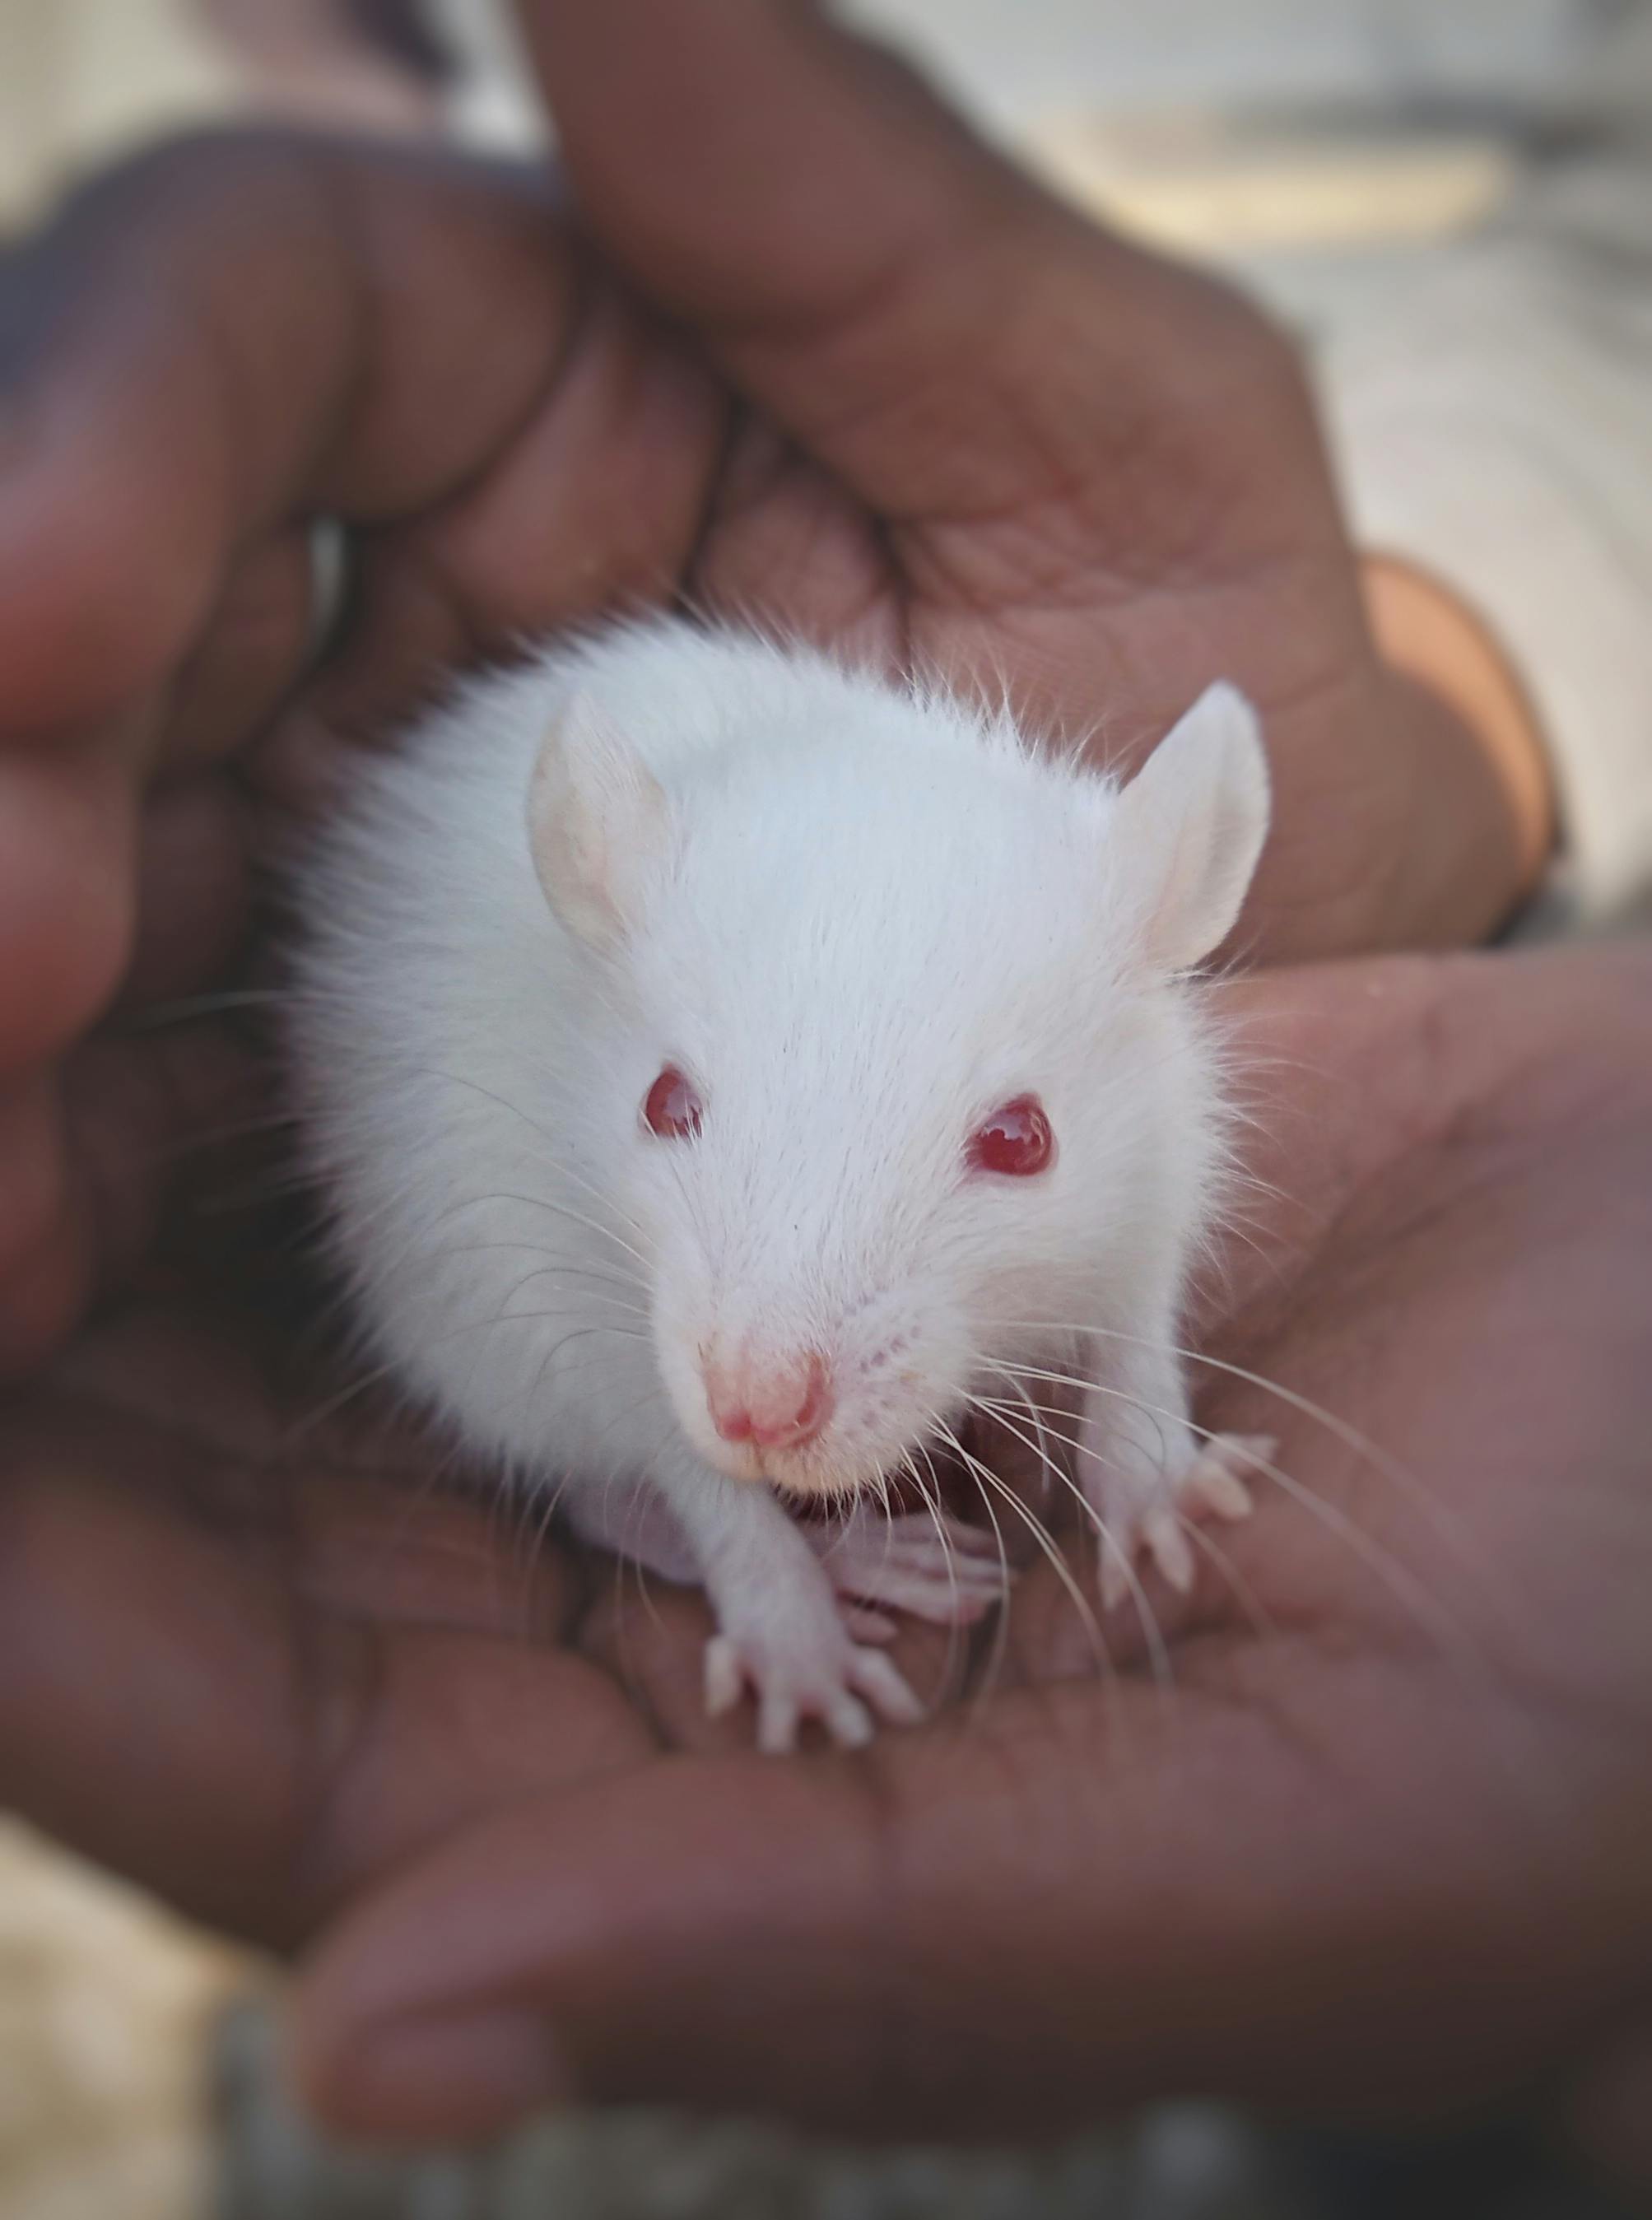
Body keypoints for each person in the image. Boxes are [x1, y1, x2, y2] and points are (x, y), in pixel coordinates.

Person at [0, 0, 1646, 2175]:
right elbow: (707, 1294)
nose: (766, 1381)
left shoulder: (1095, 959)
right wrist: (762, 1577)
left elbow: (1138, 1213)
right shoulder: (622, 944)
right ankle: (635, 1494)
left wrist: (1139, 1441)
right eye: (676, 1109)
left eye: (1007, 1142)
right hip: (524, 1094)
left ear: (1175, 922)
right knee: (551, 1339)